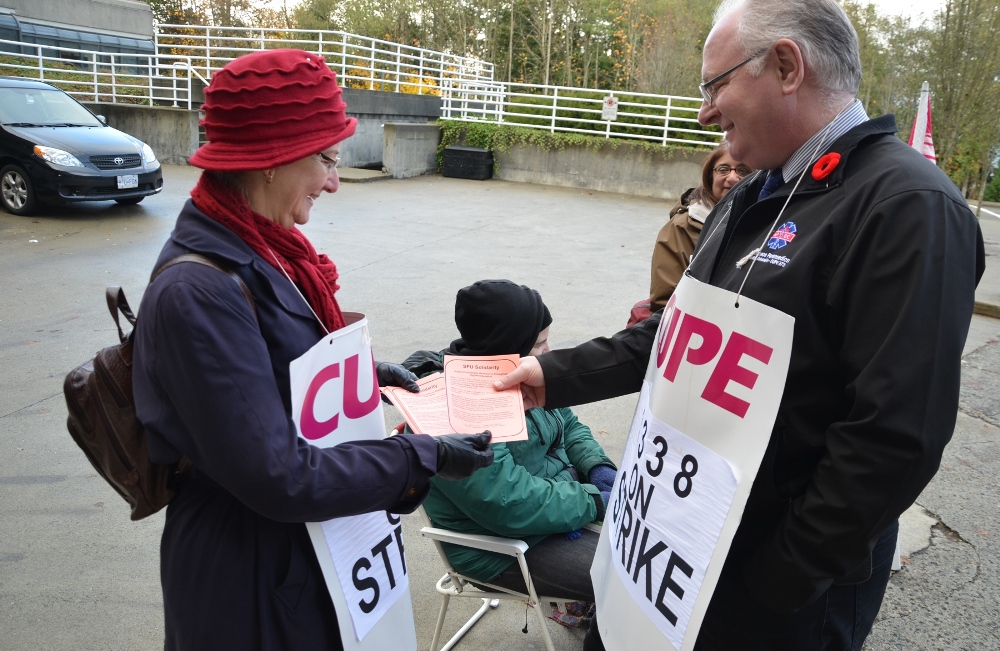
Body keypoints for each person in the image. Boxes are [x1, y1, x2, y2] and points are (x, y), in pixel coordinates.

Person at [497, 1, 986, 649]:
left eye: (715, 84)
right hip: (674, 545)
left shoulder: (907, 206)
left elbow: (895, 435)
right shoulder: (756, 193)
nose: (705, 111)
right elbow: (678, 334)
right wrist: (549, 375)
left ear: (786, 65)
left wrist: (776, 581)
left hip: (769, 590)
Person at [131, 49, 493, 651]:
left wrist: (362, 377)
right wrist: (419, 457)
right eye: (325, 158)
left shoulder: (264, 246)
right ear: (270, 159)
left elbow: (268, 373)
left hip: (296, 560)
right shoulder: (196, 291)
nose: (334, 179)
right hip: (247, 583)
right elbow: (279, 476)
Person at [401, 279, 617, 606]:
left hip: (551, 507)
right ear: (508, 346)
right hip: (499, 546)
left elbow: (568, 423)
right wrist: (593, 500)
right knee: (629, 578)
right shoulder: (453, 413)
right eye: (539, 344)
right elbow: (507, 503)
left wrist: (597, 467)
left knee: (654, 541)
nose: (548, 353)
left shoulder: (512, 372)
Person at [648, 142, 753, 313]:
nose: (733, 178)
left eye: (742, 170)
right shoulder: (683, 227)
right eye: (723, 169)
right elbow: (665, 301)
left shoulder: (771, 223)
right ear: (710, 176)